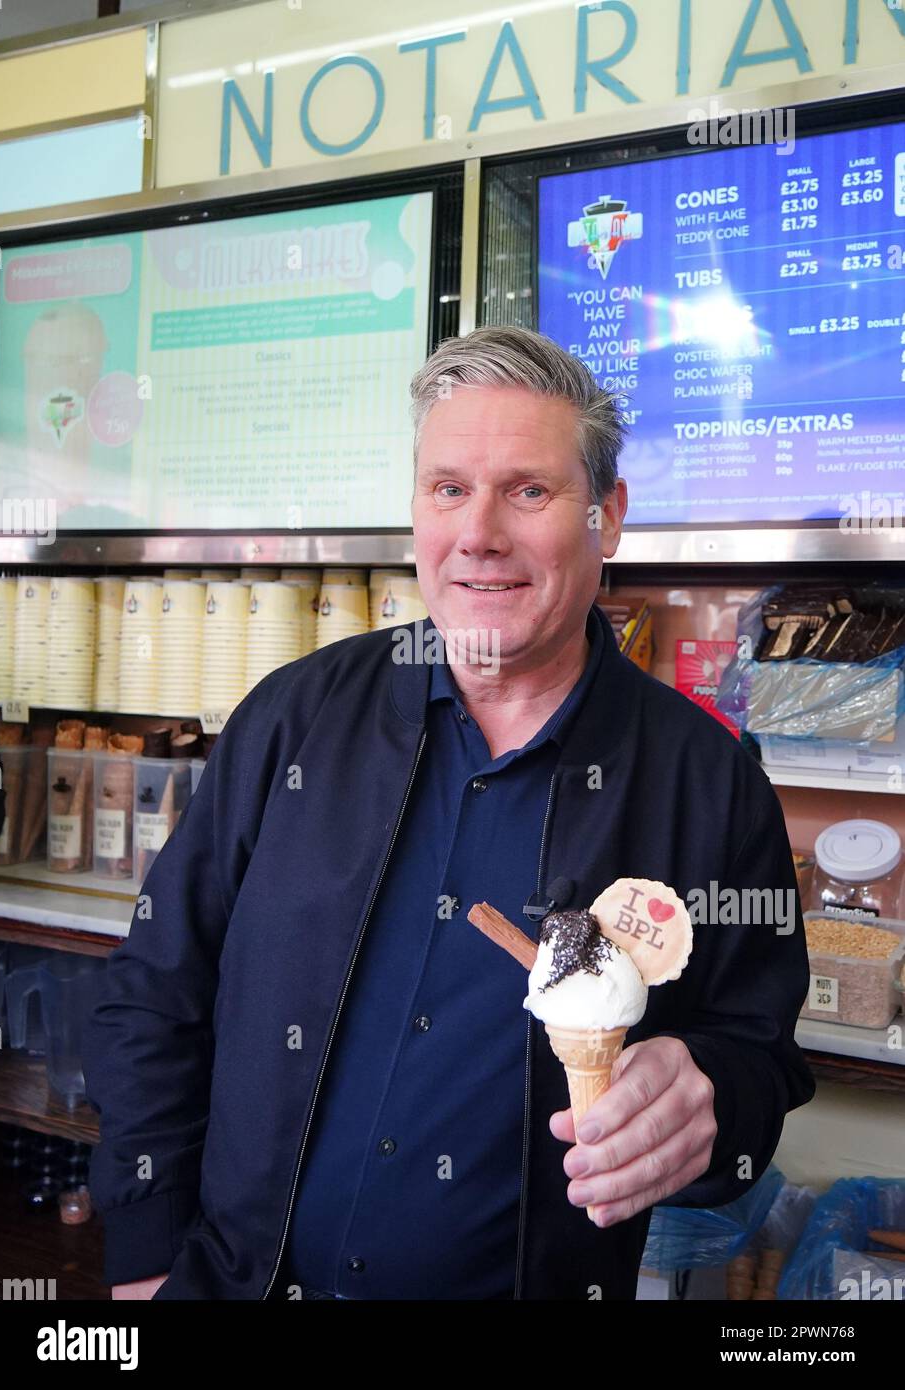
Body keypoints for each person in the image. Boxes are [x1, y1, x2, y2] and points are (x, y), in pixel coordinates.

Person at [82, 326, 815, 1301]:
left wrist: (713, 1094)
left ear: (609, 515)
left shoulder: (712, 786)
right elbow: (155, 987)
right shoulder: (291, 721)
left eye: (528, 490)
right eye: (449, 489)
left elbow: (759, 1051)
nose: (479, 534)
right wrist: (145, 1253)